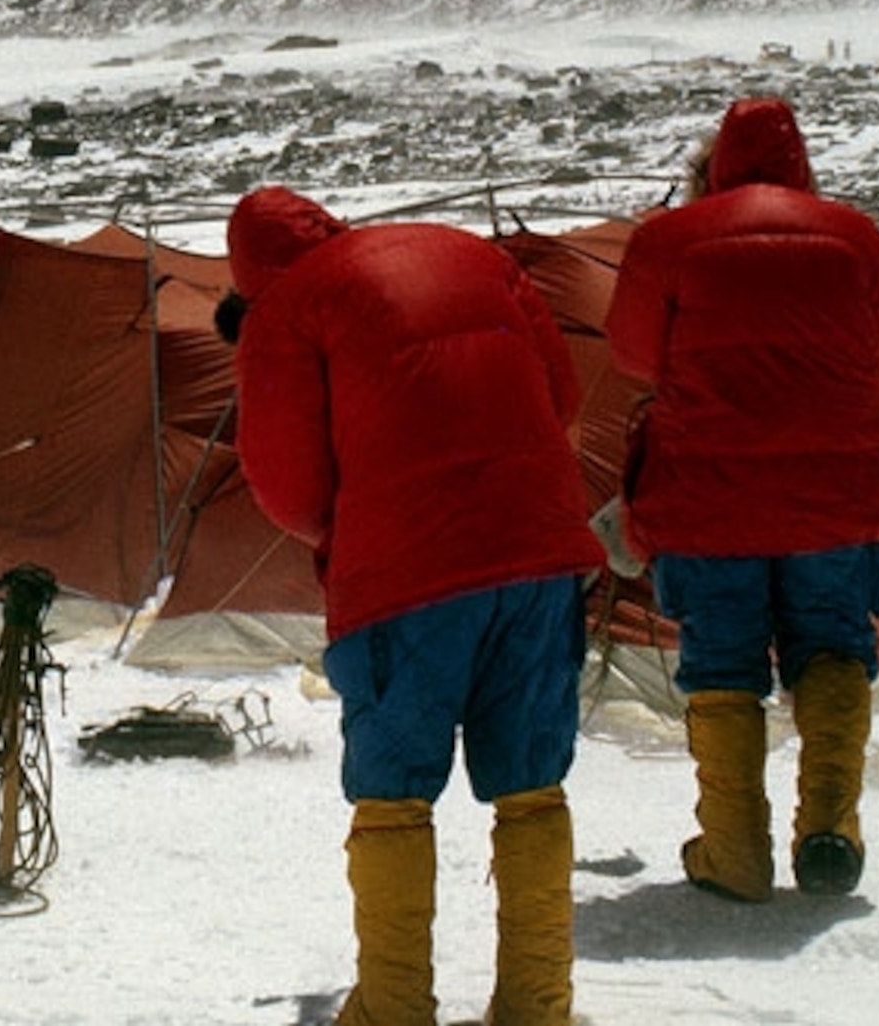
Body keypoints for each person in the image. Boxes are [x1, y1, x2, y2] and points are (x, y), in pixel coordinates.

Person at [224, 185, 604, 1026]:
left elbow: (287, 485)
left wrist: (353, 525)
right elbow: (562, 396)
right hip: (540, 549)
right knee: (532, 781)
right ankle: (538, 1006)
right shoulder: (473, 254)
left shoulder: (283, 310)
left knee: (395, 785)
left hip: (404, 572)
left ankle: (394, 1007)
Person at [605, 94, 879, 903]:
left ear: (710, 168)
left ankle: (735, 849)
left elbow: (637, 357)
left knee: (723, 663)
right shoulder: (854, 236)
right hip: (838, 492)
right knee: (834, 647)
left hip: (710, 495)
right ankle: (829, 828)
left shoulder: (667, 242)